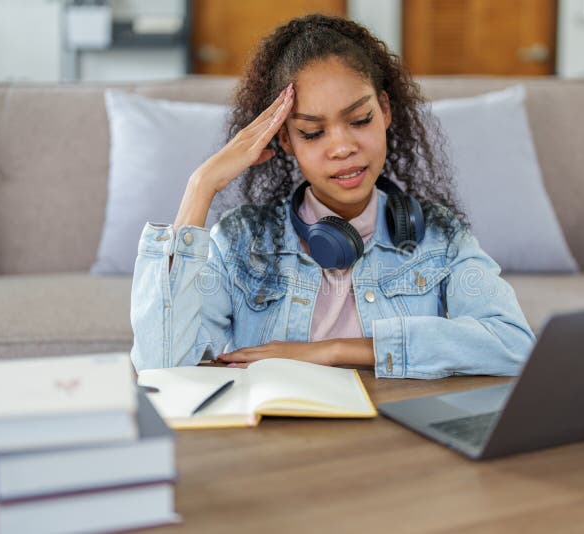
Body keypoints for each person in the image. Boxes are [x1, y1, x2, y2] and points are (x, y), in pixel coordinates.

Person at [130, 14, 535, 378]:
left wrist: (334, 351)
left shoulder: (439, 237)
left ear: (385, 110)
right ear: (285, 139)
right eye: (312, 132)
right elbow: (160, 366)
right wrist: (201, 186)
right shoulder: (240, 242)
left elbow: (514, 345)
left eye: (360, 120)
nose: (342, 147)